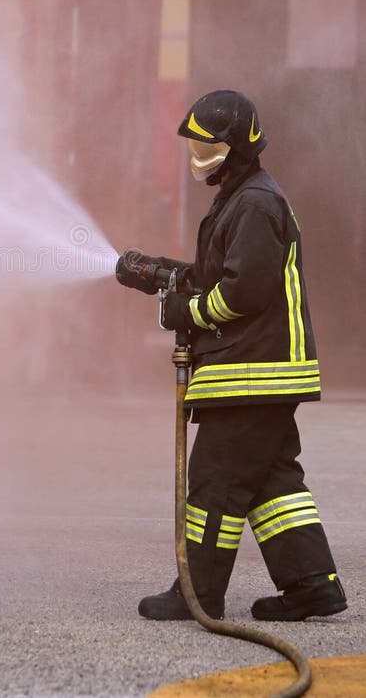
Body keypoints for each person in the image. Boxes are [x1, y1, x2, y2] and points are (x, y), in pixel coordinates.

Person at [115, 89, 347, 622]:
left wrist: (185, 313)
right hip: (260, 372)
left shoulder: (256, 203)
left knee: (216, 480)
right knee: (273, 484)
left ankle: (198, 592)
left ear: (239, 146)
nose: (199, 156)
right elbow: (217, 276)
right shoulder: (242, 199)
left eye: (208, 145)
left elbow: (242, 293)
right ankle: (312, 585)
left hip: (251, 370)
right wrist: (153, 272)